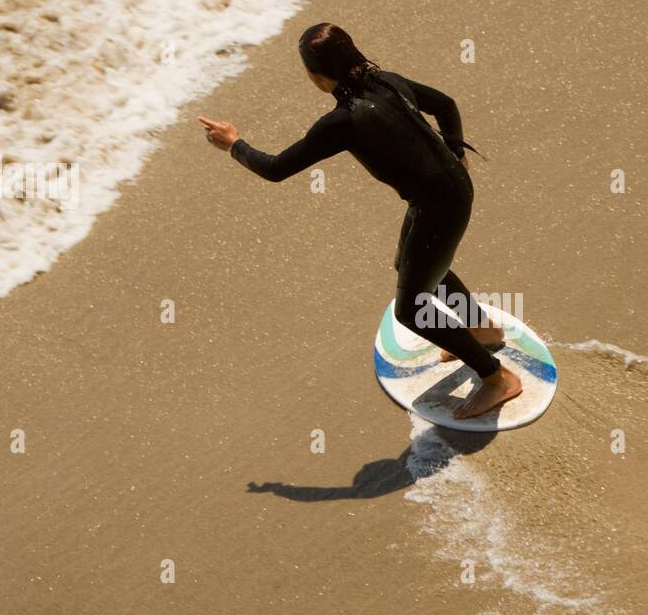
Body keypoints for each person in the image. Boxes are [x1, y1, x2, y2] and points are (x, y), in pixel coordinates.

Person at [199, 22, 521, 419]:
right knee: (409, 265)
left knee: (411, 309)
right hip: (450, 191)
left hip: (439, 206)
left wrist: (234, 143)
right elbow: (446, 103)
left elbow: (276, 168)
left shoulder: (341, 122)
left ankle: (496, 378)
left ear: (317, 77)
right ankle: (481, 329)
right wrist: (455, 151)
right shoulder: (388, 82)